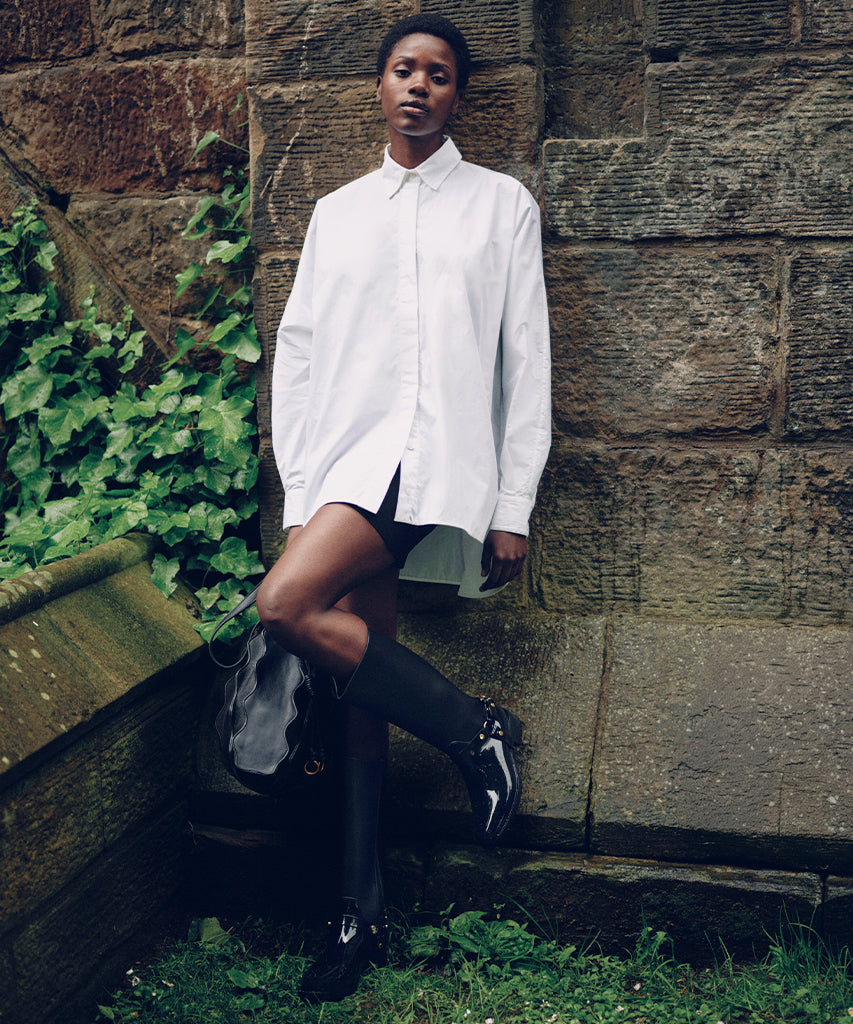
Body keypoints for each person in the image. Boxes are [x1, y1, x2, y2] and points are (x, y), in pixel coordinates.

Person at [256, 13, 551, 1004]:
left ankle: (473, 728)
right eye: (402, 69)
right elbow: (298, 357)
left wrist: (513, 502)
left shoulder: (500, 205)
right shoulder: (337, 213)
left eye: (438, 73)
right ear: (378, 88)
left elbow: (525, 359)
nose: (418, 85)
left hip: (433, 463)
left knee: (283, 605)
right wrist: (303, 495)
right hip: (344, 469)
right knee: (361, 695)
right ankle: (358, 910)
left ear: (456, 94)